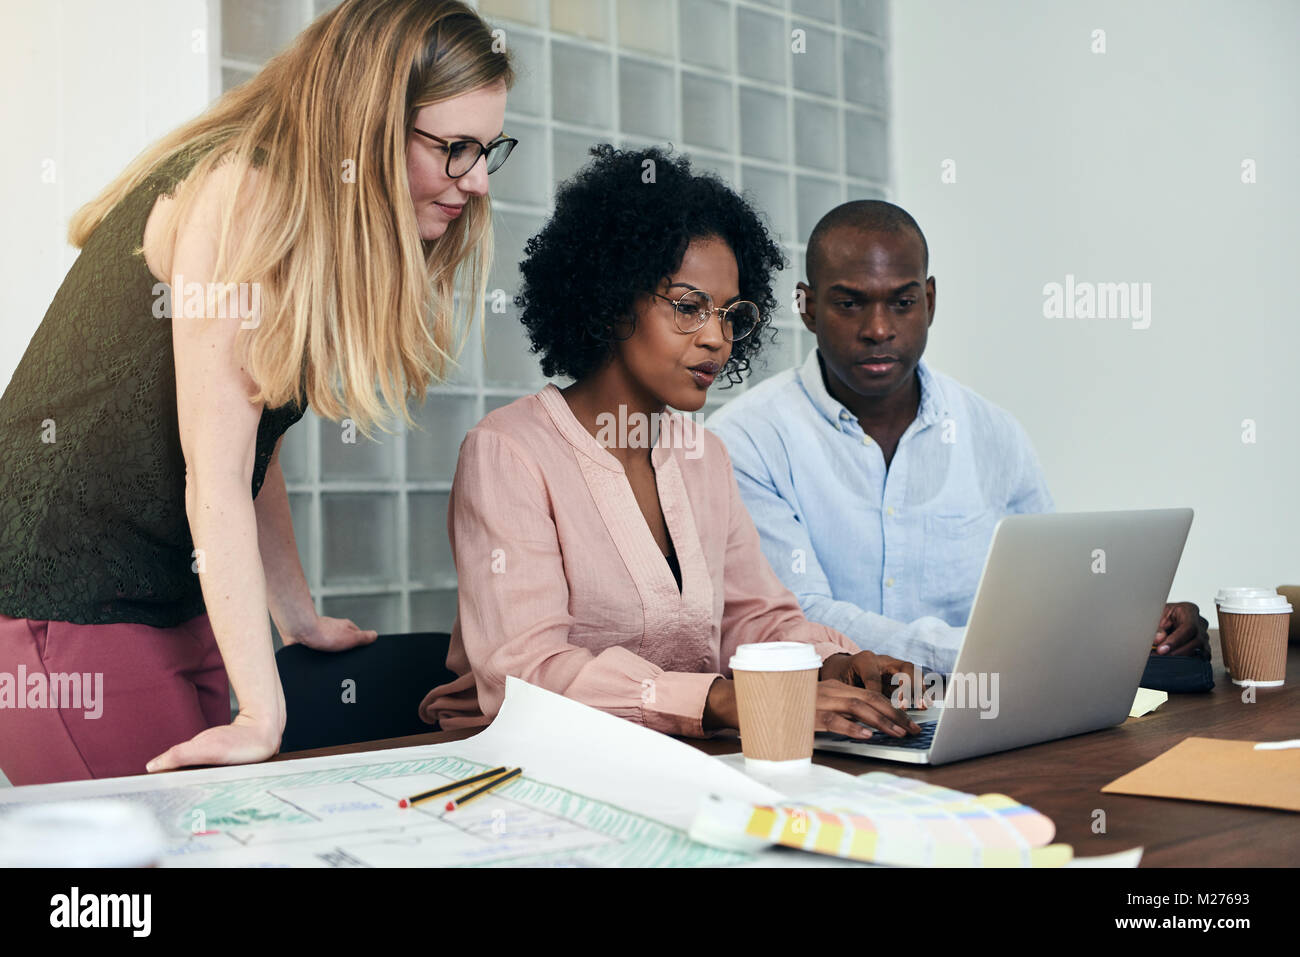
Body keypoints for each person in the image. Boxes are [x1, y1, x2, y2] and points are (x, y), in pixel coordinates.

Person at [0, 0, 517, 785]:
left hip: (168, 595)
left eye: (486, 150)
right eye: (453, 148)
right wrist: (260, 713)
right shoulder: (247, 196)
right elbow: (214, 475)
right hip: (62, 602)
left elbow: (246, 441)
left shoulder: (301, 216)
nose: (476, 182)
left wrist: (294, 611)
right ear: (368, 123)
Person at [419, 146, 925, 743]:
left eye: (731, 314)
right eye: (688, 307)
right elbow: (526, 676)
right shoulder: (509, 452)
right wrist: (725, 700)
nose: (716, 338)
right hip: (523, 769)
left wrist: (839, 666)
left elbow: (753, 618)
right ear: (611, 300)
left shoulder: (701, 455)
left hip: (680, 763)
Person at [706, 201, 1209, 674]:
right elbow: (796, 616)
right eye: (850, 304)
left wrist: (1138, 623)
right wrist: (982, 653)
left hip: (991, 715)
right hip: (834, 728)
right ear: (809, 307)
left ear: (928, 301)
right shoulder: (745, 441)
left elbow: (1048, 591)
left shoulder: (993, 433)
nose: (878, 329)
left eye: (902, 302)